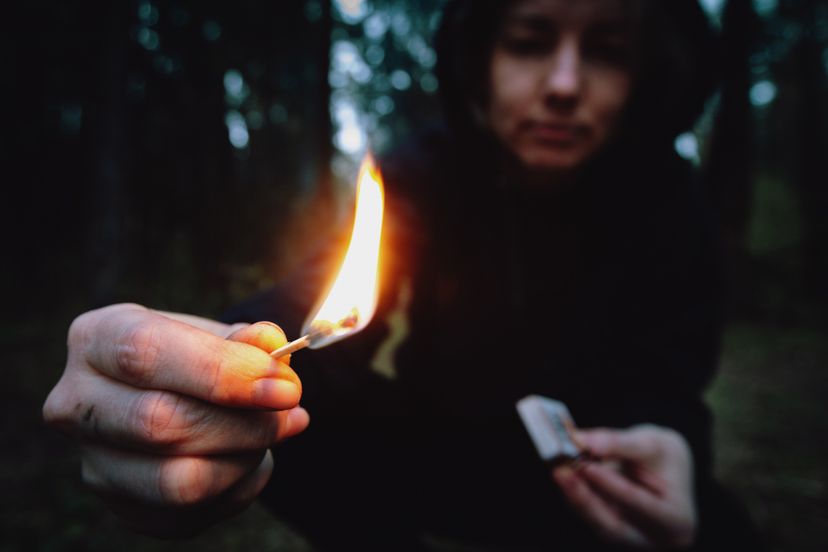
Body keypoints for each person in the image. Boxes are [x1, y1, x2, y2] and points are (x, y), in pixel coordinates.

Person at [43, 0, 763, 549]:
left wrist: (673, 461)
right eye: (530, 42)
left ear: (648, 77)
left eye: (607, 52)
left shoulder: (672, 203)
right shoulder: (426, 172)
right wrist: (194, 358)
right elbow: (305, 306)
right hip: (445, 451)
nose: (565, 84)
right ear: (480, 56)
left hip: (600, 477)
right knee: (295, 425)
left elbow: (675, 385)